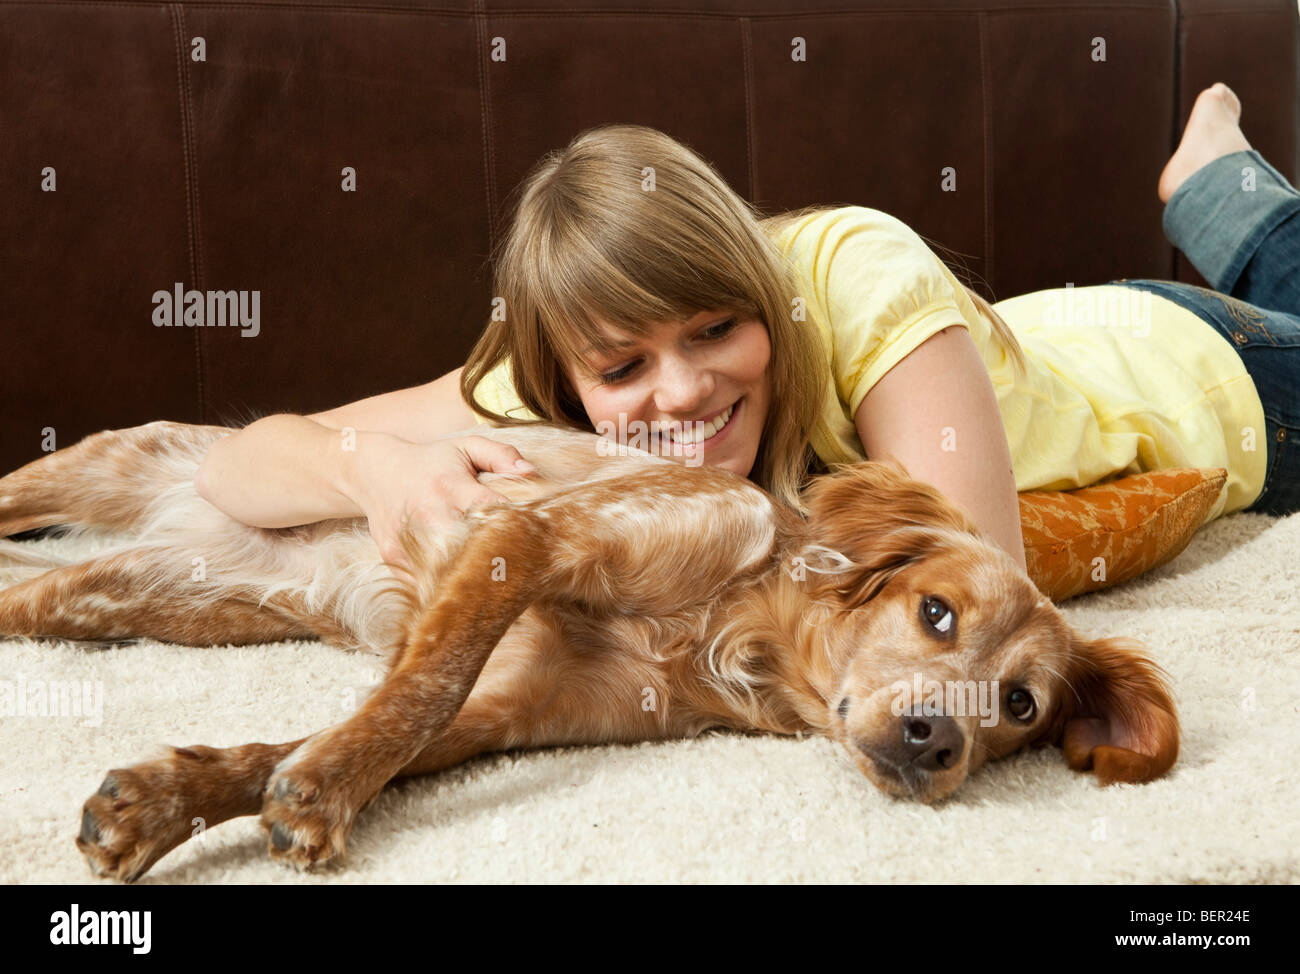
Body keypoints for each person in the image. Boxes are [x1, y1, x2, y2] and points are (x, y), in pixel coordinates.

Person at [194, 83, 1300, 583]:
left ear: (764, 297)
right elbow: (235, 466)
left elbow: (977, 581)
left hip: (1208, 375)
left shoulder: (857, 274)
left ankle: (1222, 192)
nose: (675, 392)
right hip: (1041, 338)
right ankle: (1220, 190)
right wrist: (378, 468)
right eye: (623, 365)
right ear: (563, 378)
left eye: (715, 329)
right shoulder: (540, 364)